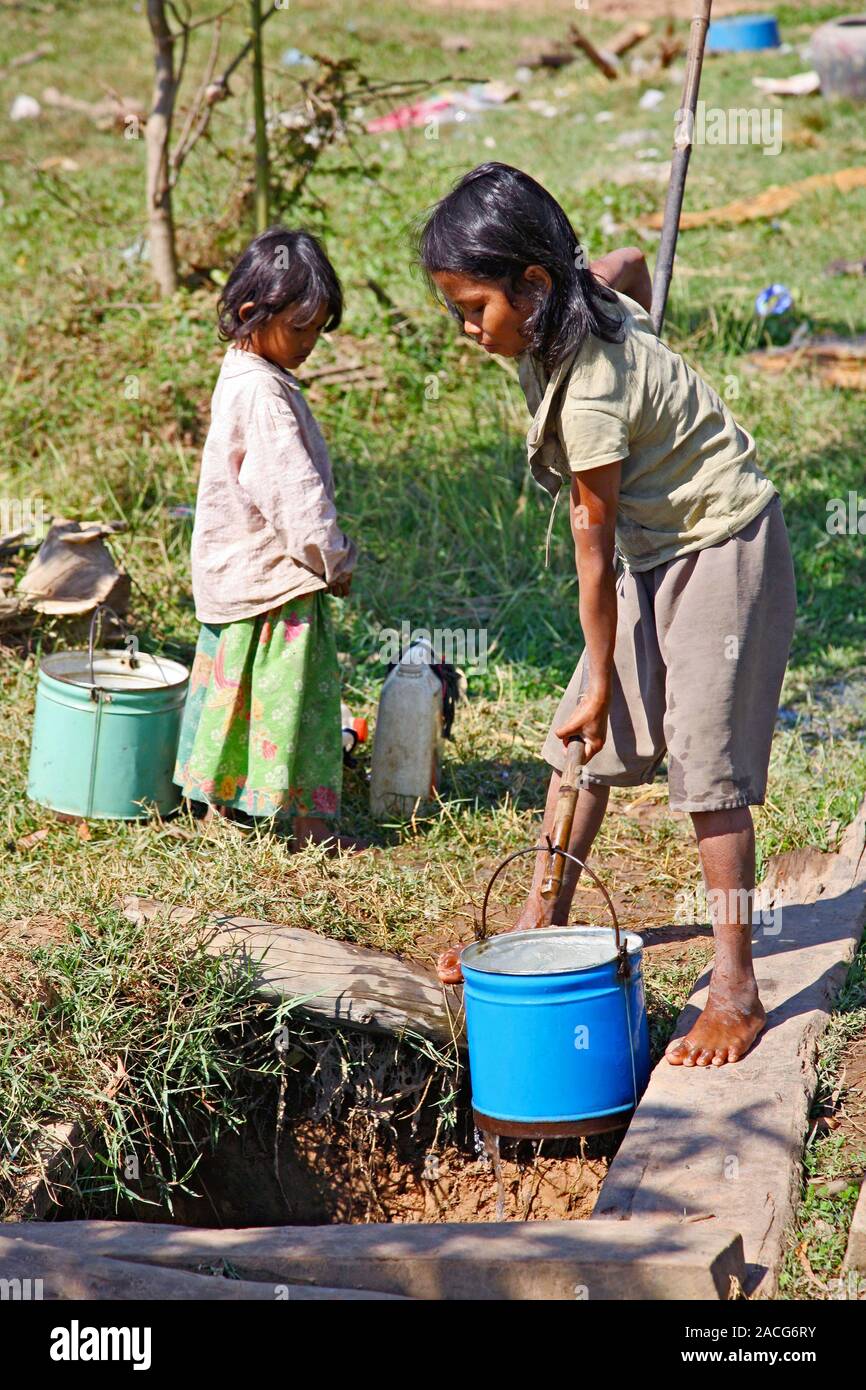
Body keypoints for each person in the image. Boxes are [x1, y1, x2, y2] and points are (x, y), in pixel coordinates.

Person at [420, 164, 796, 1067]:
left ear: (536, 286)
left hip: (724, 545)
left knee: (708, 769)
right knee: (576, 750)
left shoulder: (589, 395)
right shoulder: (573, 301)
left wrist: (599, 677)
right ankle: (539, 913)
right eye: (456, 312)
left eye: (476, 308)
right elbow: (623, 263)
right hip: (655, 545)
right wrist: (635, 292)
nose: (469, 330)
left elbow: (591, 554)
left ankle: (737, 989)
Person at [174, 227, 363, 851]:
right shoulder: (263, 395)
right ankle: (309, 829)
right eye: (300, 329)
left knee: (239, 699)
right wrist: (331, 557)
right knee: (293, 704)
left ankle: (222, 815)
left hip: (240, 576)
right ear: (253, 315)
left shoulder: (245, 372)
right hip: (275, 581)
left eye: (317, 330)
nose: (310, 344)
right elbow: (292, 492)